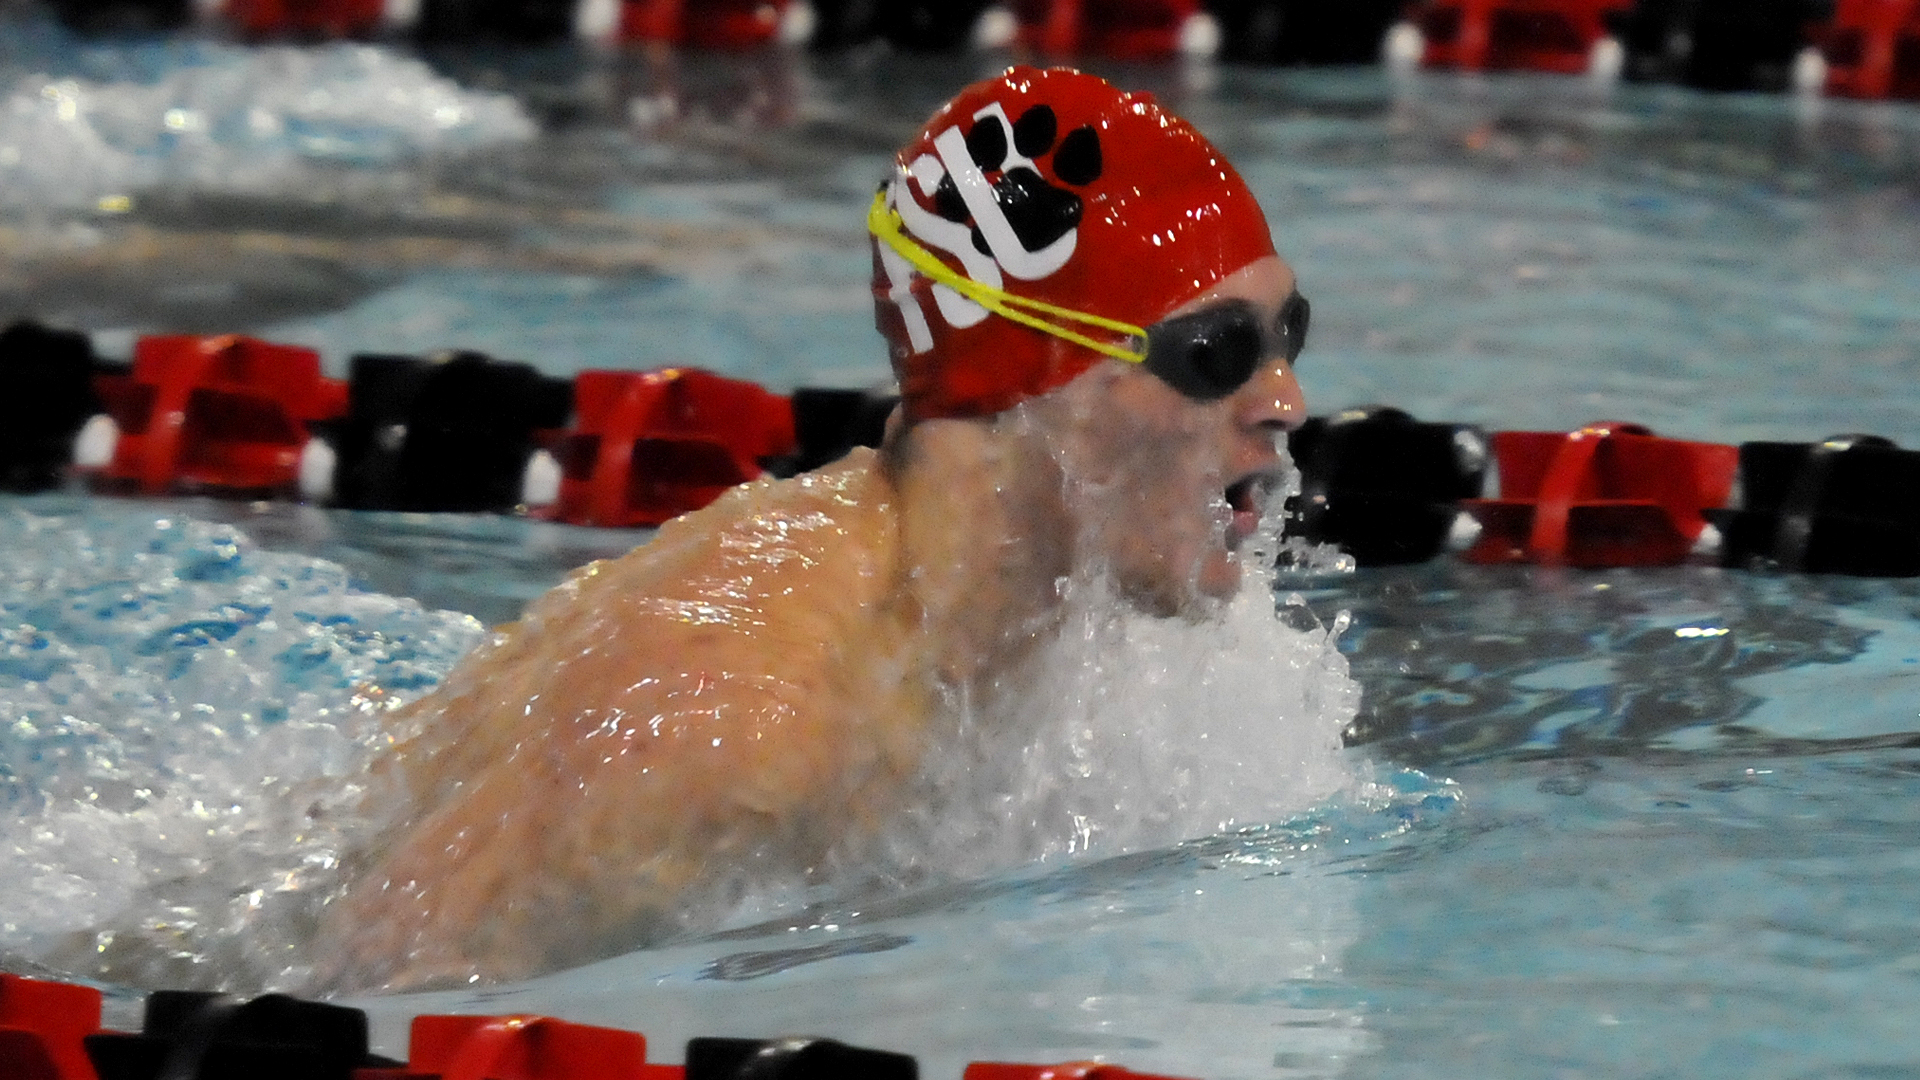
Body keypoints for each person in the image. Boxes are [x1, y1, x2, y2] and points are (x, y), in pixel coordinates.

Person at [312, 65, 1312, 992]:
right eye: (1215, 352)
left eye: (1286, 336)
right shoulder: (736, 736)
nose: (1284, 400)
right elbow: (361, 1003)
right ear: (1023, 380)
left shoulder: (1055, 628)